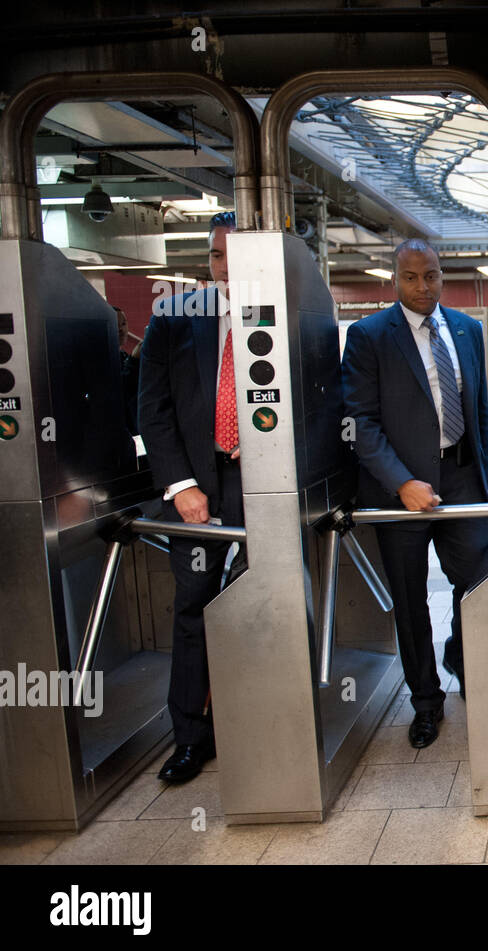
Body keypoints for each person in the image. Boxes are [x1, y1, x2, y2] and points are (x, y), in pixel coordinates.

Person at [341, 239, 488, 748]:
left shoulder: (469, 330)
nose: (423, 286)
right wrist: (401, 482)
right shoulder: (369, 337)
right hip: (398, 490)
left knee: (474, 584)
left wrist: (478, 476)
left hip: (460, 483)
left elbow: (475, 409)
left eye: (430, 276)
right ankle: (426, 703)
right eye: (411, 277)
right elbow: (359, 421)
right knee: (410, 600)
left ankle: (464, 656)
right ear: (395, 280)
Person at [137, 211, 243, 785]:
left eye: (234, 256)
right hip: (198, 486)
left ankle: (256, 721)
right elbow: (152, 409)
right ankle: (190, 738)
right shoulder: (175, 317)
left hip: (259, 485)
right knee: (194, 608)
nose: (223, 267)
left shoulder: (277, 314)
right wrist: (182, 486)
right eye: (216, 256)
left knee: (264, 602)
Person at [115, 305, 140, 434]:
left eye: (123, 323)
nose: (121, 329)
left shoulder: (123, 356)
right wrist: (134, 360)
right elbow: (122, 391)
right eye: (115, 324)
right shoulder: (101, 360)